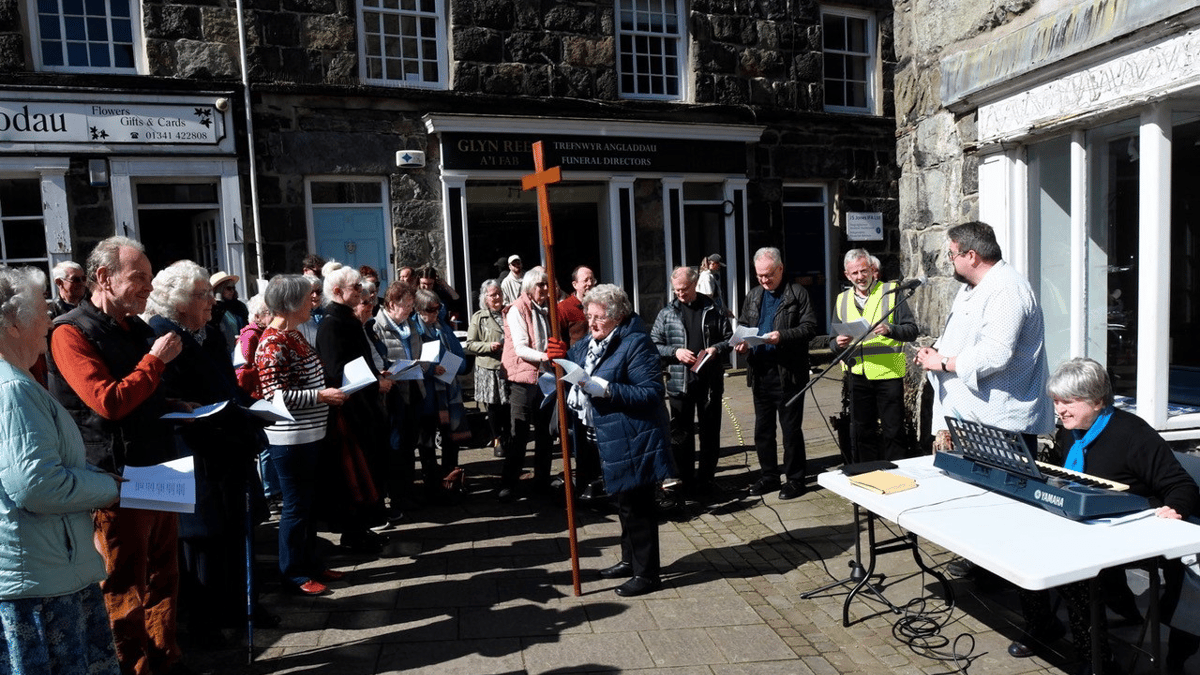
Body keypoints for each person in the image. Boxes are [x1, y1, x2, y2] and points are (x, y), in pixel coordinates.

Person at [48, 236, 186, 675]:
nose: (149, 286)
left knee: (164, 575)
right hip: (115, 478)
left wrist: (177, 407)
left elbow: (144, 395)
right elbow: (106, 401)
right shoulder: (70, 332)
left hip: (159, 466)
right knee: (125, 584)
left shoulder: (136, 328)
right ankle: (130, 665)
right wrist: (154, 362)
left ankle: (165, 659)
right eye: (138, 277)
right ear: (104, 278)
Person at [1009, 358, 1199, 674]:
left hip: (1126, 530)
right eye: (1056, 401)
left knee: (1072, 571)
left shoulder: (1132, 434)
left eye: (1068, 402)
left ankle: (1097, 659)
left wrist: (1175, 508)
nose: (1060, 410)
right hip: (1086, 520)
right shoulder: (1071, 430)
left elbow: (1180, 484)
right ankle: (1043, 625)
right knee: (1019, 548)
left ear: (1097, 401)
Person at [0, 266, 123, 675]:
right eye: (41, 309)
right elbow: (36, 487)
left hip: (41, 570)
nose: (49, 319)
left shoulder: (17, 383)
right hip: (38, 580)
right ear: (11, 323)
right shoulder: (12, 390)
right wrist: (107, 487)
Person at [144, 261, 268, 644]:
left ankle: (240, 603)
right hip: (189, 452)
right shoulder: (158, 335)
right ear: (179, 303)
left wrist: (253, 407)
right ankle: (204, 623)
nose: (212, 302)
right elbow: (160, 397)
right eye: (203, 295)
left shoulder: (210, 332)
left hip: (227, 446)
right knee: (199, 540)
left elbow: (227, 386)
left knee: (235, 529)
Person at [561, 284, 673, 597]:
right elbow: (571, 359)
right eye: (589, 316)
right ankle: (629, 560)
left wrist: (608, 390)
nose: (591, 323)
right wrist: (555, 358)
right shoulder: (590, 343)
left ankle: (648, 574)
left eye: (599, 318)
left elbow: (651, 392)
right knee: (622, 503)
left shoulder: (636, 343)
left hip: (634, 437)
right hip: (605, 436)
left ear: (618, 318)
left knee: (638, 507)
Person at [915, 221, 1055, 452]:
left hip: (999, 427)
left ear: (972, 256)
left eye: (952, 254)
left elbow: (996, 353)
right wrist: (936, 350)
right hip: (968, 419)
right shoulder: (973, 286)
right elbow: (961, 333)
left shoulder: (1007, 289)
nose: (950, 261)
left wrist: (941, 362)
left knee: (998, 488)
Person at [256, 275, 349, 595]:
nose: (314, 301)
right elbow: (274, 395)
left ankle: (312, 563)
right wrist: (321, 397)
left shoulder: (294, 334)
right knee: (296, 507)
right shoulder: (271, 342)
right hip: (290, 438)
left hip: (311, 432)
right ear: (291, 303)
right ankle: (293, 572)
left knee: (309, 504)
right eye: (308, 297)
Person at [315, 261, 389, 552]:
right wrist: (369, 382)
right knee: (353, 473)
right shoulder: (333, 323)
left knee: (367, 467)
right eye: (356, 288)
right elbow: (334, 370)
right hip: (351, 407)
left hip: (363, 403)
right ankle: (353, 534)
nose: (363, 293)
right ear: (337, 291)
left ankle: (362, 529)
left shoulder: (346, 318)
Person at [734, 247, 817, 500]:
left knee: (790, 429)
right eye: (759, 275)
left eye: (768, 275)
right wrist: (743, 341)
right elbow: (746, 325)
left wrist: (782, 337)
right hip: (761, 372)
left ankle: (795, 479)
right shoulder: (754, 295)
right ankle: (769, 475)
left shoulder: (797, 294)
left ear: (780, 268)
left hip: (788, 373)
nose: (764, 280)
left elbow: (810, 328)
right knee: (763, 430)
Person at [651, 265, 732, 504]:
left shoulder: (713, 308)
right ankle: (683, 482)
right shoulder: (667, 312)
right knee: (680, 436)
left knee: (710, 435)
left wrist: (716, 349)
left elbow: (729, 338)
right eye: (676, 290)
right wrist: (675, 352)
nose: (680, 294)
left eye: (684, 289)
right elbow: (653, 344)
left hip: (708, 382)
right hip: (679, 382)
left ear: (695, 284)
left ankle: (706, 480)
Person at [831, 250, 918, 463]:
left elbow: (912, 330)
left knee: (893, 430)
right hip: (857, 375)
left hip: (887, 373)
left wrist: (890, 330)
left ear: (873, 270)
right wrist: (838, 344)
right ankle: (869, 474)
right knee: (862, 432)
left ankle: (898, 473)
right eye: (855, 273)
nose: (860, 277)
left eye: (864, 270)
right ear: (847, 275)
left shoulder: (891, 292)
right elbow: (832, 341)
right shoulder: (842, 300)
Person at [498, 268, 555, 501]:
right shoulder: (517, 309)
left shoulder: (545, 309)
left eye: (546, 285)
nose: (544, 289)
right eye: (540, 285)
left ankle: (541, 481)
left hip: (545, 377)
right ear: (529, 287)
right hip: (523, 378)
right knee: (519, 433)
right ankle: (509, 483)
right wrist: (545, 357)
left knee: (545, 433)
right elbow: (520, 347)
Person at [412, 289, 469, 501]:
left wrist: (448, 366)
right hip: (426, 397)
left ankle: (449, 483)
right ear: (418, 309)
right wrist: (431, 369)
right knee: (426, 445)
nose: (435, 313)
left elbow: (462, 362)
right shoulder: (413, 330)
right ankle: (431, 486)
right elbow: (411, 363)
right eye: (430, 310)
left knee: (450, 442)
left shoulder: (443, 328)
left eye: (438, 309)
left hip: (448, 396)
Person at [372, 281, 424, 512]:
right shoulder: (377, 326)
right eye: (407, 305)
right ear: (391, 304)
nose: (411, 309)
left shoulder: (410, 324)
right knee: (395, 445)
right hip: (393, 393)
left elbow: (418, 350)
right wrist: (396, 368)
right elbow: (378, 360)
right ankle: (395, 496)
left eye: (412, 305)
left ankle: (408, 491)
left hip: (414, 387)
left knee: (410, 443)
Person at [464, 279, 510, 459]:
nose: (497, 297)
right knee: (493, 407)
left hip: (508, 366)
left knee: (507, 406)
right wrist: (488, 346)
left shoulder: (510, 312)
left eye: (499, 293)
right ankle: (496, 439)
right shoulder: (479, 317)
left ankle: (508, 438)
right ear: (485, 298)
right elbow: (470, 344)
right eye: (492, 295)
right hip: (489, 368)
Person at [208, 271, 248, 352]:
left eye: (233, 288)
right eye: (229, 288)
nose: (232, 291)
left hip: (241, 348)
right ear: (219, 289)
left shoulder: (239, 306)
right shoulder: (212, 309)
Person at [558, 265, 596, 345]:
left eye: (592, 280)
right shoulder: (564, 307)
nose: (589, 283)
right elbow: (558, 337)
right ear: (575, 285)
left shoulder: (599, 305)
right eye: (585, 280)